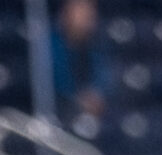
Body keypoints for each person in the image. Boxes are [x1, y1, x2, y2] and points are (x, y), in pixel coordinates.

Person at [48, 0, 113, 129]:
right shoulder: (50, 45)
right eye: (80, 8)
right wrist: (78, 100)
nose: (86, 14)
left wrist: (96, 94)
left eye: (90, 9)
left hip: (94, 112)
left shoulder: (98, 44)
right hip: (61, 112)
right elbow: (55, 80)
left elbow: (104, 76)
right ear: (65, 12)